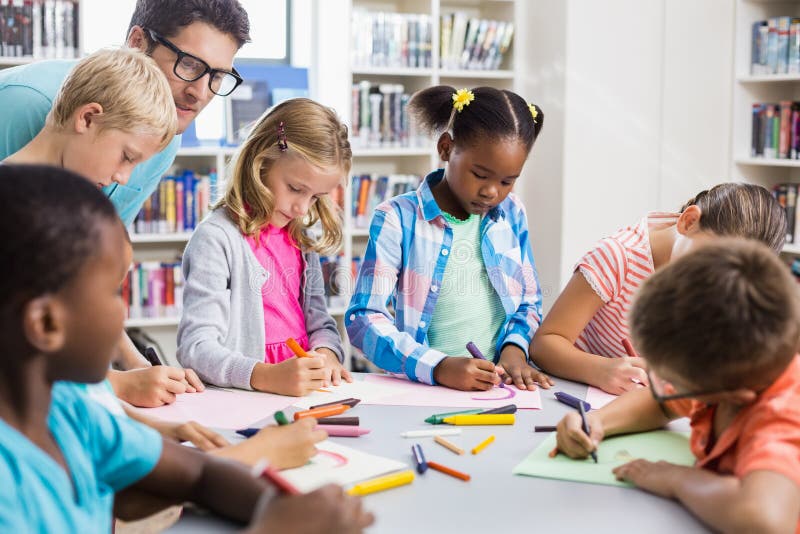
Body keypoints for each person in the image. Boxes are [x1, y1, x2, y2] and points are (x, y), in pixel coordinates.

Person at [0, 164, 374, 533]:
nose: (125, 311)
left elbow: (198, 473)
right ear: (46, 323)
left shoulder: (69, 406)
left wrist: (277, 504)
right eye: (114, 293)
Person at [0, 0, 251, 407]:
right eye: (190, 65)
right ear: (137, 42)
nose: (201, 92)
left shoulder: (160, 139)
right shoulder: (23, 106)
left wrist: (133, 366)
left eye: (218, 76)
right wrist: (112, 386)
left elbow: (85, 276)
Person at [553, 238, 800, 533]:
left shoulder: (782, 414)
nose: (663, 388)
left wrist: (676, 480)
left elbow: (765, 521)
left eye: (674, 382)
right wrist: (594, 421)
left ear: (734, 395)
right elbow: (660, 402)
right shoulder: (730, 369)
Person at [346, 86, 551, 392]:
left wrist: (515, 350)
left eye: (507, 181)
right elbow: (363, 319)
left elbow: (529, 300)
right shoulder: (397, 219)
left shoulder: (512, 212)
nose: (492, 192)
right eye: (480, 174)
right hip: (428, 387)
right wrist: (437, 367)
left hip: (501, 390)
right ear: (446, 148)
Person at [530, 183, 786, 394]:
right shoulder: (617, 258)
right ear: (688, 222)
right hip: (582, 395)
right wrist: (600, 370)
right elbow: (545, 344)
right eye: (707, 268)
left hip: (653, 404)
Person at [177, 98, 352, 396]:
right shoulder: (217, 238)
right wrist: (266, 376)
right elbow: (196, 347)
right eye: (296, 189)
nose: (301, 208)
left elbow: (320, 323)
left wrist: (327, 354)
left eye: (315, 197)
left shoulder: (300, 239)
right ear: (260, 163)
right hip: (247, 396)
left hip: (301, 396)